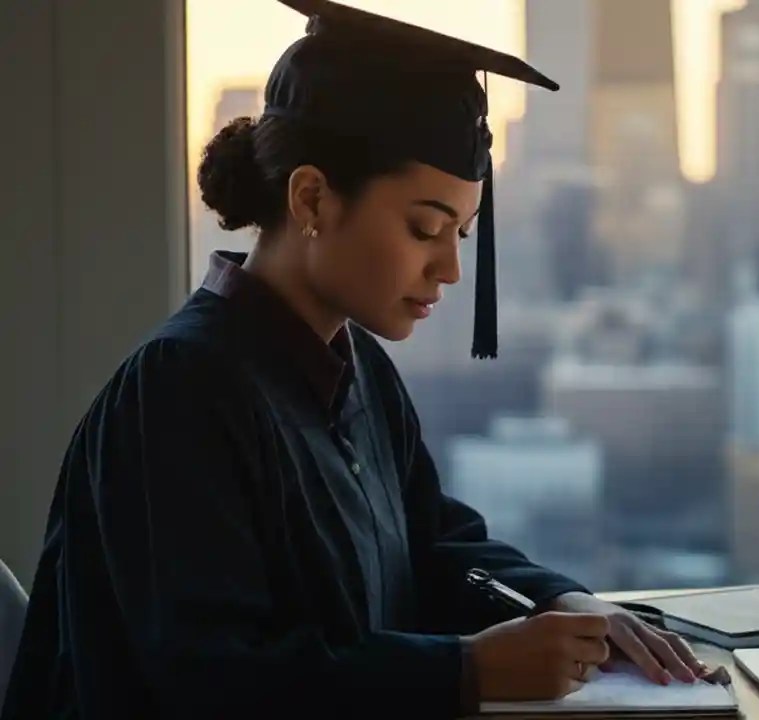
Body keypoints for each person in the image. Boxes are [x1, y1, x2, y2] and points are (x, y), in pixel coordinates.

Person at [0, 2, 710, 718]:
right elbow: (210, 678)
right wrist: (466, 672)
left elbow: (432, 543)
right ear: (312, 197)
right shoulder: (178, 391)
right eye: (424, 228)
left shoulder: (356, 366)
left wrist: (570, 606)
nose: (449, 269)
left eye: (461, 233)